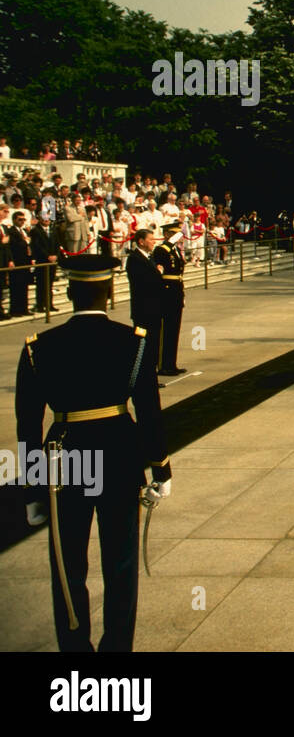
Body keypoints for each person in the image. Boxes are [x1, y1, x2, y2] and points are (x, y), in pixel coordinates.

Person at [15, 253, 173, 651]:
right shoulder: (134, 342)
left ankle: (74, 647)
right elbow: (149, 412)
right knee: (120, 563)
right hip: (120, 453)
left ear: (67, 292)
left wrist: (34, 490)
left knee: (67, 564)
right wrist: (161, 469)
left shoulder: (38, 347)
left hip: (66, 459)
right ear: (109, 294)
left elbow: (27, 425)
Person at [126, 229, 163, 385]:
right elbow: (143, 283)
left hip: (153, 309)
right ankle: (144, 379)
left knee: (153, 345)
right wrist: (158, 272)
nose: (153, 241)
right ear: (141, 241)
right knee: (144, 346)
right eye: (150, 239)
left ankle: (151, 377)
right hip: (143, 311)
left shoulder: (149, 257)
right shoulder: (135, 259)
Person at [152, 221, 187, 375]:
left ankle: (171, 363)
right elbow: (159, 272)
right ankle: (163, 365)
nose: (177, 236)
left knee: (174, 329)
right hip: (167, 293)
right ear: (166, 235)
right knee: (165, 331)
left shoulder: (176, 250)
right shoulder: (161, 250)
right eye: (174, 233)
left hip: (176, 292)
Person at [31, 211, 59, 313]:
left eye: (48, 218)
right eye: (44, 218)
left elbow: (57, 243)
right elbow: (37, 246)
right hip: (42, 260)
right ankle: (40, 305)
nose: (46, 220)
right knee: (41, 284)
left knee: (49, 284)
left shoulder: (53, 230)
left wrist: (56, 255)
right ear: (40, 219)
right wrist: (47, 256)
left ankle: (49, 304)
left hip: (52, 262)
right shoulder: (35, 231)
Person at [7, 209, 33, 317]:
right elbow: (15, 245)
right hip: (17, 262)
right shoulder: (12, 231)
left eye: (24, 219)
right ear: (14, 220)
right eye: (20, 219)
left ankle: (24, 308)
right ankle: (15, 310)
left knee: (24, 287)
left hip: (25, 263)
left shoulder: (24, 231)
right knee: (16, 287)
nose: (22, 221)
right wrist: (25, 241)